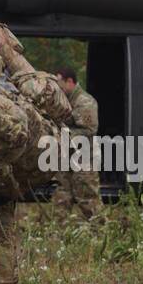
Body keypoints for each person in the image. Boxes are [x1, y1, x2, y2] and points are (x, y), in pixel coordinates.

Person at [50, 67, 103, 219]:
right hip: (67, 158)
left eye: (60, 84)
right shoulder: (63, 101)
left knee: (88, 199)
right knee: (62, 196)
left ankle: (100, 235)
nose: (58, 89)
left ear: (70, 82)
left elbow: (89, 130)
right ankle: (57, 236)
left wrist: (62, 137)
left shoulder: (85, 101)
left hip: (84, 159)